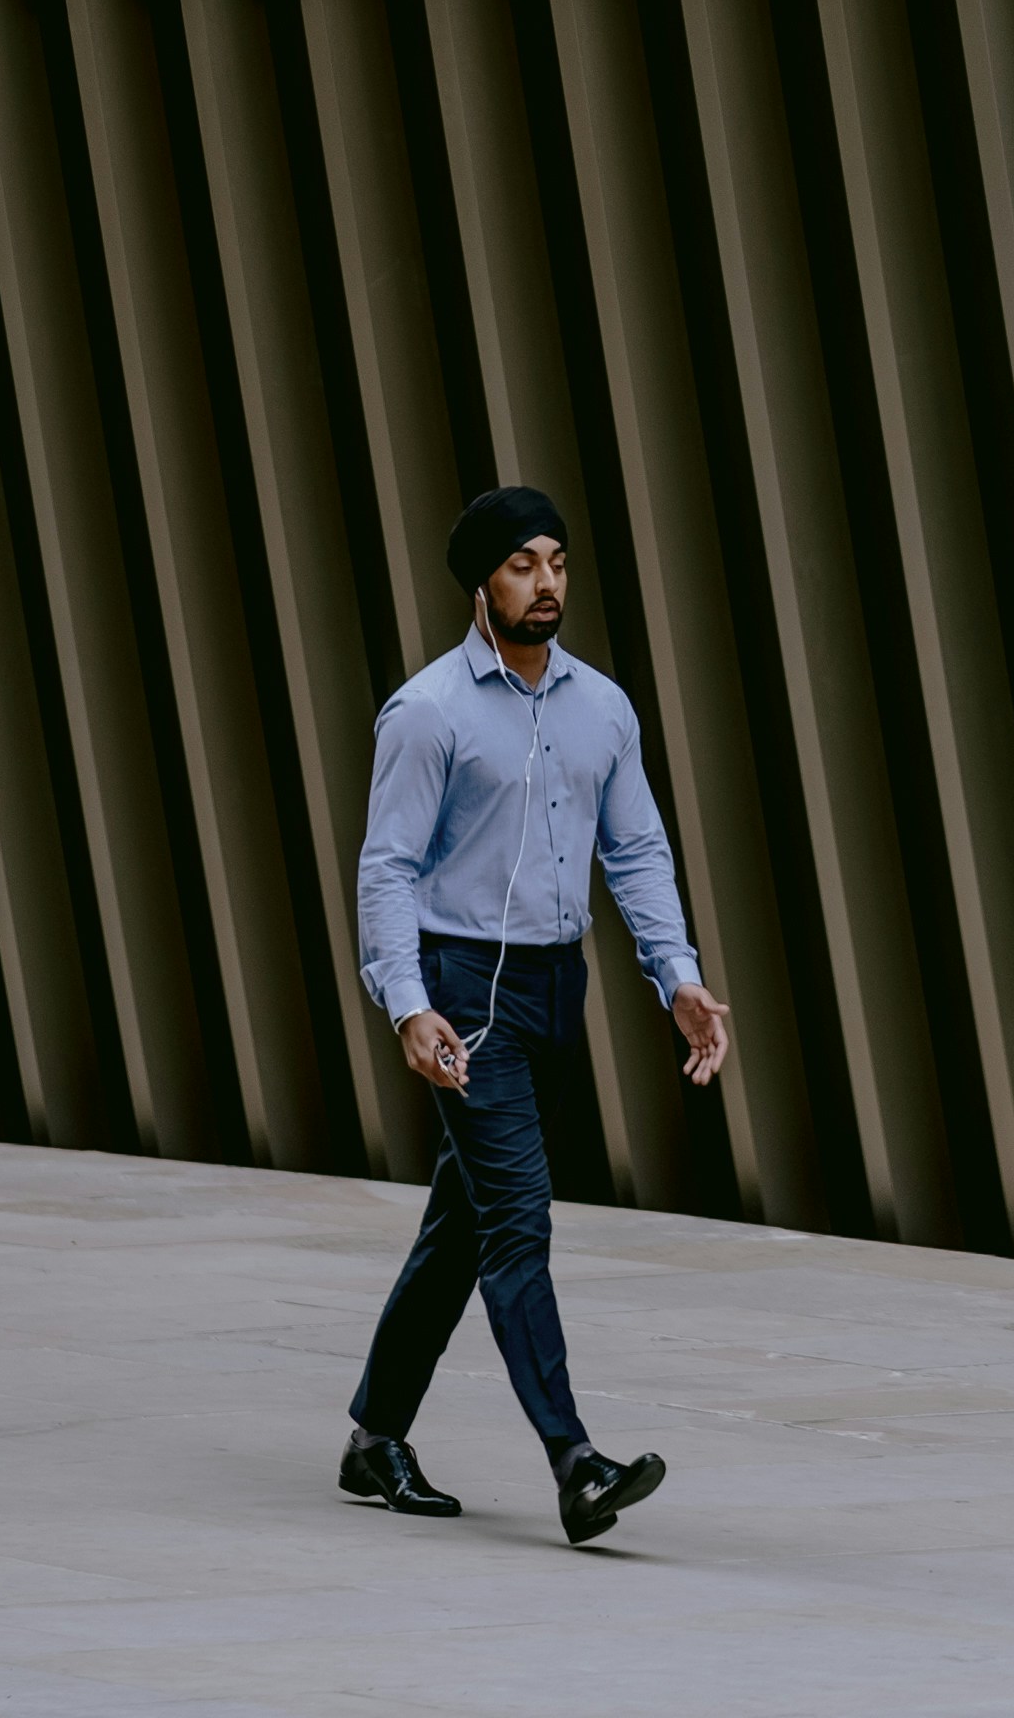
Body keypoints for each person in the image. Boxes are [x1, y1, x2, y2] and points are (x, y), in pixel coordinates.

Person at [341, 483, 731, 1546]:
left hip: (559, 985)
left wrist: (677, 978)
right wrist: (409, 1005)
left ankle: (374, 1437)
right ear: (481, 584)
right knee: (518, 1218)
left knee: (464, 1223)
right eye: (522, 565)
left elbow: (636, 850)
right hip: (466, 987)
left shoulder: (602, 706)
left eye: (556, 561)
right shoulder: (427, 713)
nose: (546, 582)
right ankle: (575, 1462)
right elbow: (387, 868)